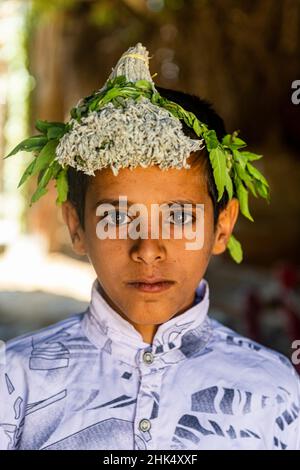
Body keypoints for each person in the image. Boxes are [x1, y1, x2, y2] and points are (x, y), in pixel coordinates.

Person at [1, 43, 299, 450]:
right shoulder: (15, 382)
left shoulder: (274, 390)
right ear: (76, 226)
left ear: (222, 227)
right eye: (118, 218)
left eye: (178, 217)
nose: (148, 247)